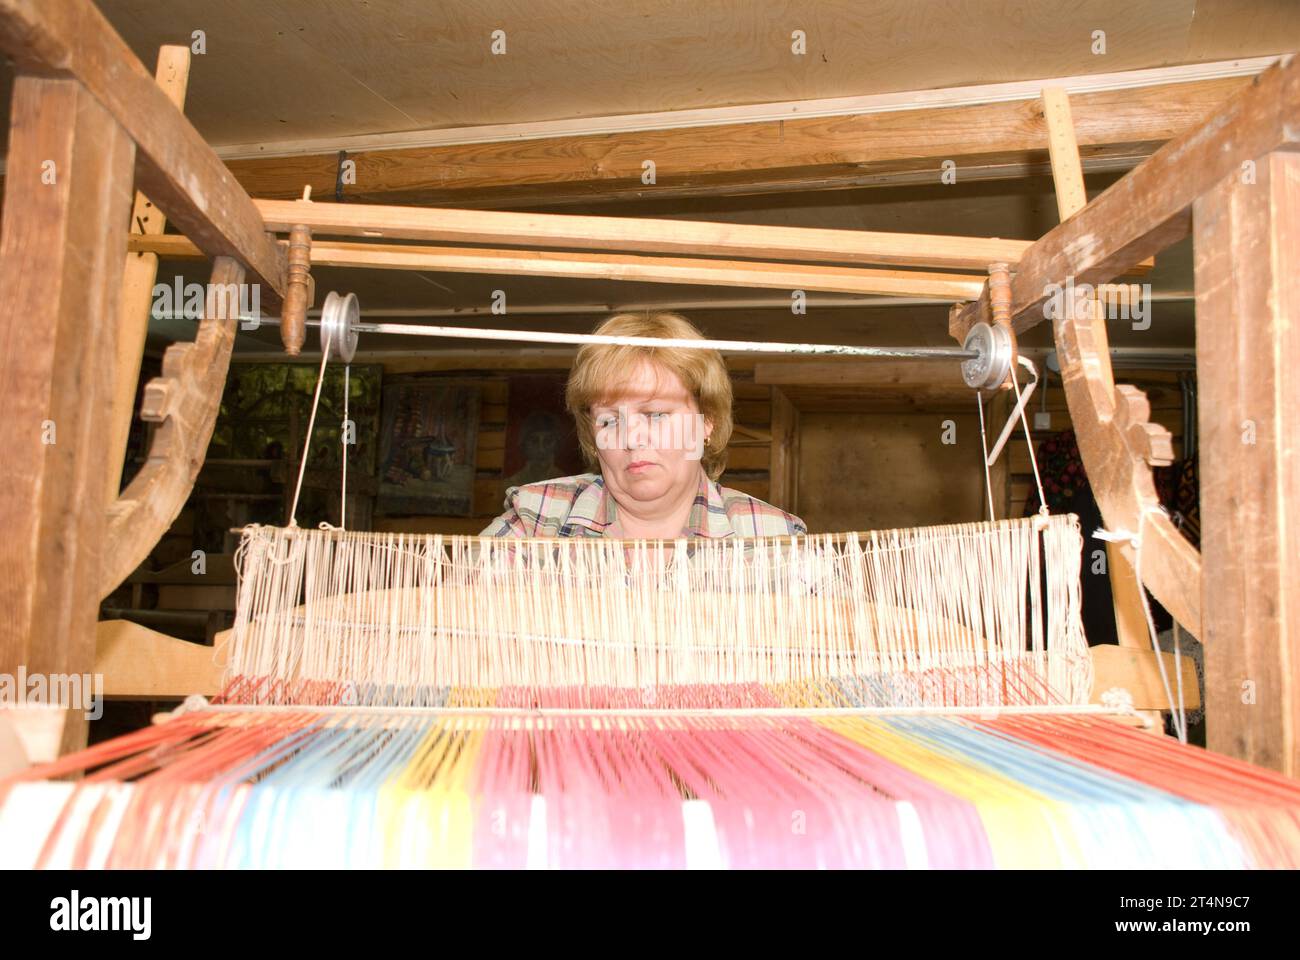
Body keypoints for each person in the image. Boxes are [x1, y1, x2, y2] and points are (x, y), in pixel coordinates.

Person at [480, 312, 807, 539]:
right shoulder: (534, 522)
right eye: (609, 420)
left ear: (707, 422)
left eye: (656, 415)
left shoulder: (778, 541)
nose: (632, 439)